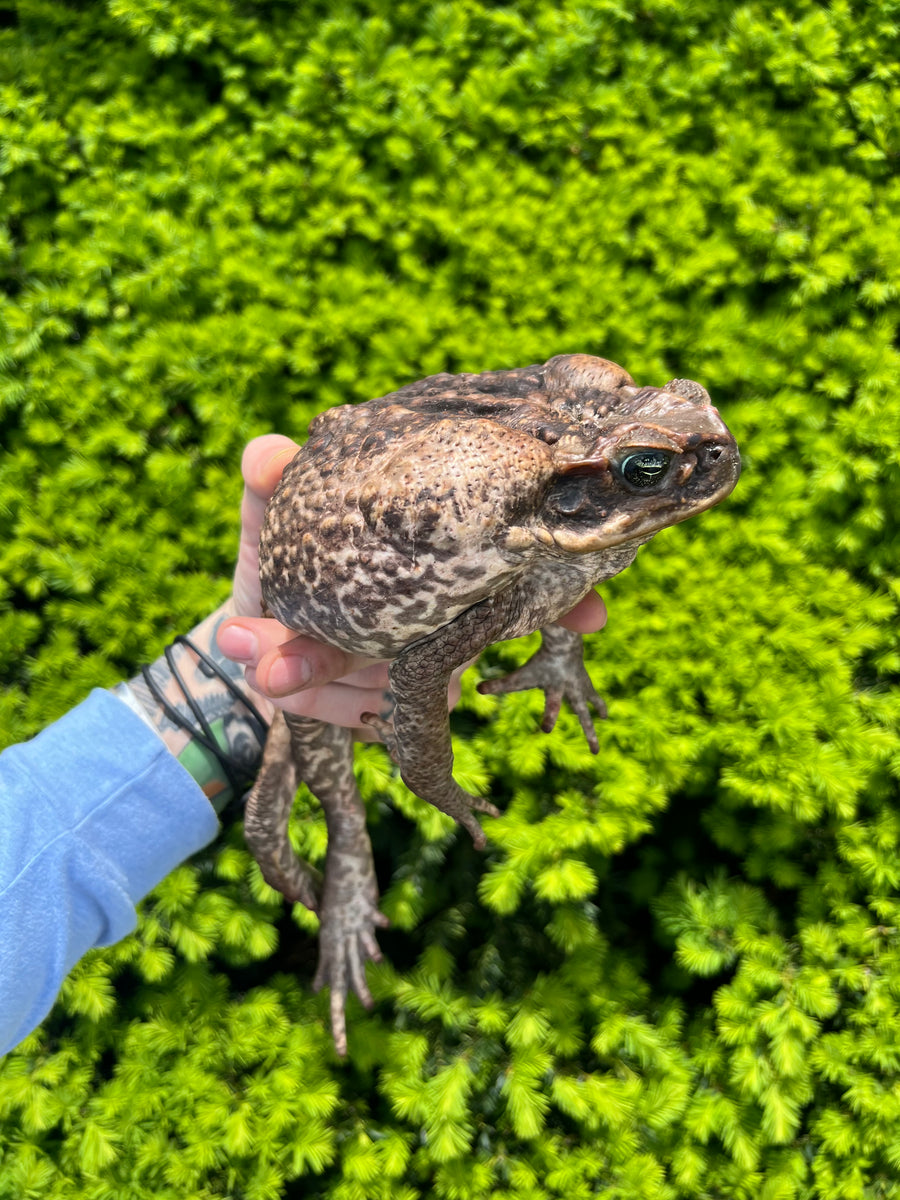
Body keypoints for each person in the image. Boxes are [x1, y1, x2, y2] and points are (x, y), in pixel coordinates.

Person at [0, 435, 607, 1056]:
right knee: (288, 820)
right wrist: (437, 786)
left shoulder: (550, 517)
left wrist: (240, 657)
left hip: (321, 632)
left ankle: (334, 893)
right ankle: (338, 905)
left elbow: (38, 832)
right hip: (331, 646)